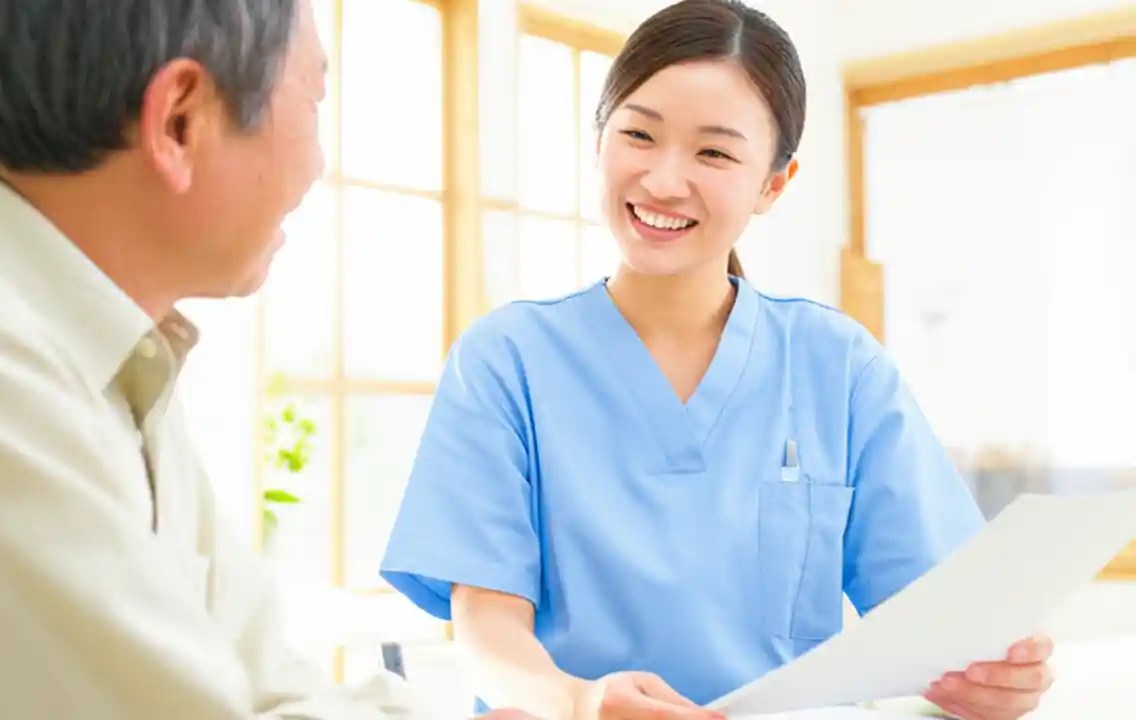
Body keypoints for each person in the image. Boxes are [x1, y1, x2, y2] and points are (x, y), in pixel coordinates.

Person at [380, 2, 1056, 719]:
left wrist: (992, 677)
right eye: (638, 135)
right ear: (599, 143)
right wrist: (578, 704)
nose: (665, 181)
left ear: (774, 183)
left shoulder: (840, 368)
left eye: (714, 153)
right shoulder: (504, 363)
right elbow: (485, 631)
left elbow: (940, 628)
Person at [0, 1, 528, 718]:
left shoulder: (110, 361)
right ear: (178, 121)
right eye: (312, 101)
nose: (317, 164)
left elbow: (263, 682)